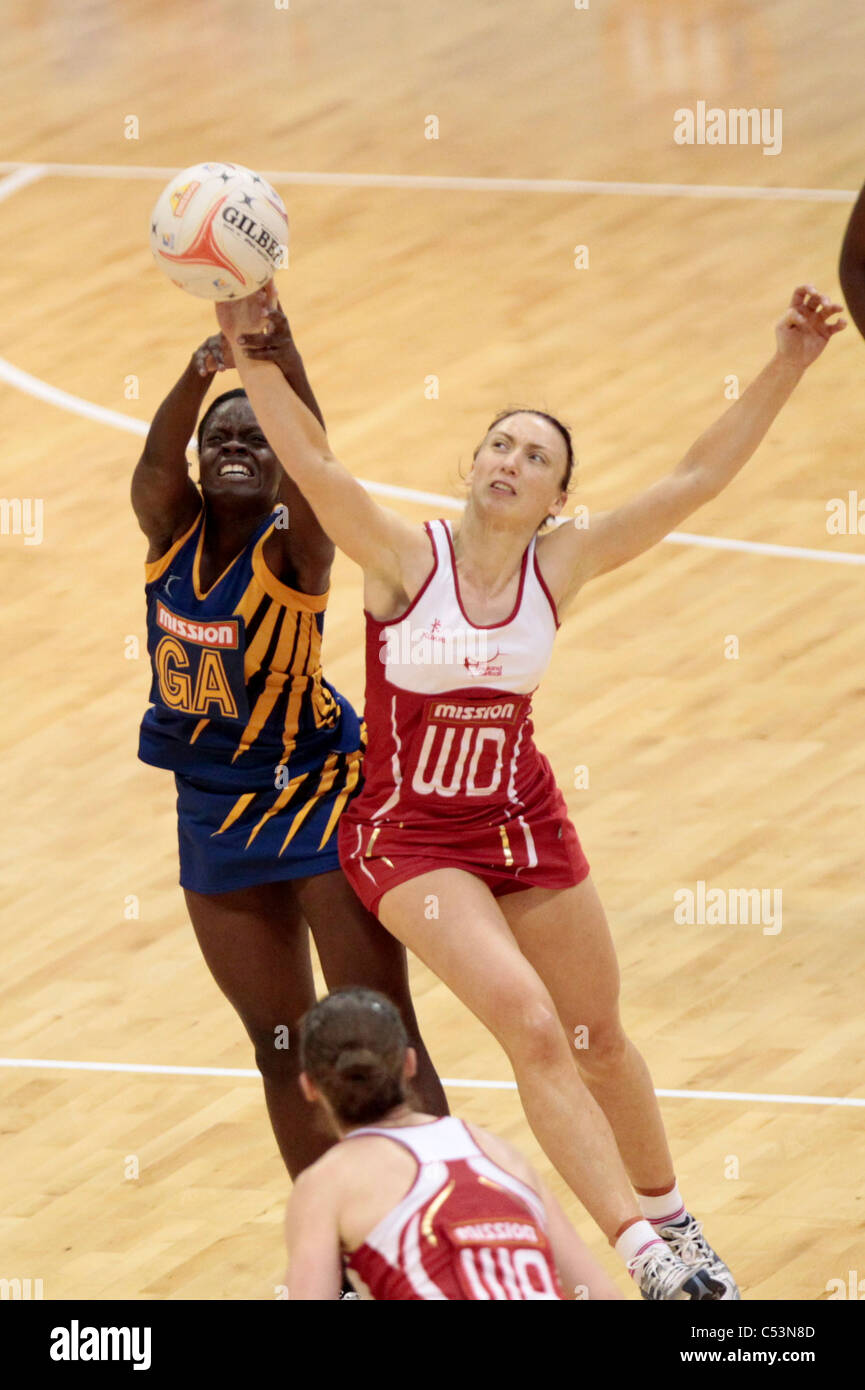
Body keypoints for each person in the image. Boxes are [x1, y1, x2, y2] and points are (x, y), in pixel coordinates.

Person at [218, 282, 844, 1298]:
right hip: (409, 836)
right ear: (470, 467)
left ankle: (676, 1223)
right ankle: (639, 1257)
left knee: (599, 1038)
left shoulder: (562, 567)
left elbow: (693, 478)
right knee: (533, 1023)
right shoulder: (401, 554)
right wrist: (249, 350)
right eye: (499, 446)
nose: (512, 462)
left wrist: (786, 362)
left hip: (521, 823)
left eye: (537, 457)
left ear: (558, 499)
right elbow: (314, 464)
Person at [131, 306, 447, 1180]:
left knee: (377, 1032)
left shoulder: (294, 550)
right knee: (281, 1046)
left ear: (280, 466)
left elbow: (321, 471)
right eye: (219, 438)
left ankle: (435, 1226)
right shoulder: (170, 532)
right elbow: (154, 465)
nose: (236, 447)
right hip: (211, 804)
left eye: (257, 440)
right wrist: (202, 369)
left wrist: (284, 359)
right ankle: (337, 1245)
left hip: (312, 789)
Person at [285, 987, 624, 1300]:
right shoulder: (499, 1153)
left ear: (309, 1087)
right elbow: (599, 1293)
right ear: (409, 1063)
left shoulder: (324, 1184)